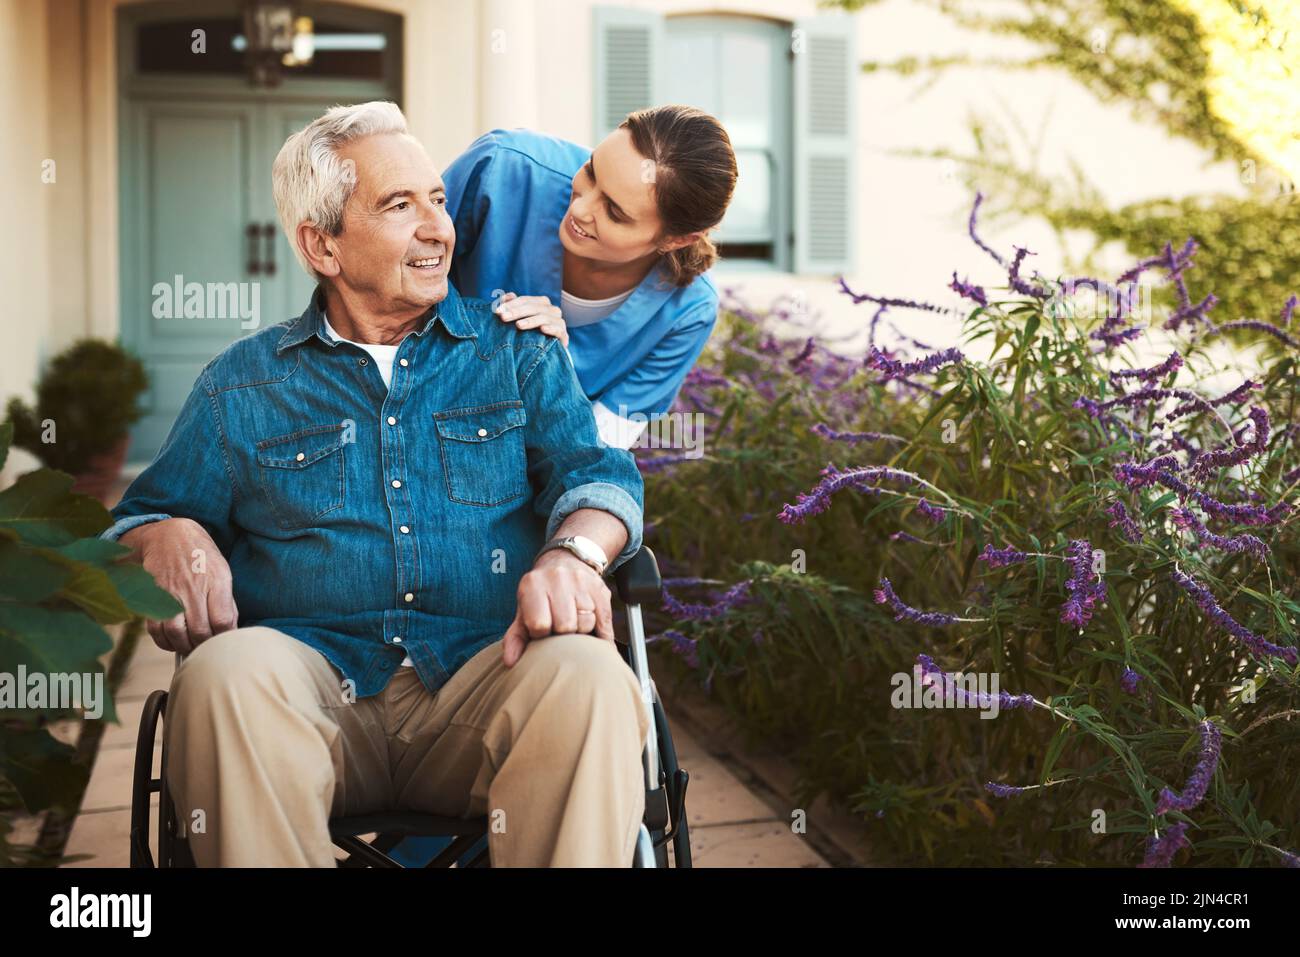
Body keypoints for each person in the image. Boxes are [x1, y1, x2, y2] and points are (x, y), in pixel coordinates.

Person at [101, 101, 650, 867]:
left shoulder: (517, 352)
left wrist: (574, 555)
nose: (438, 228)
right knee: (224, 674)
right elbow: (137, 518)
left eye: (437, 199)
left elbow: (598, 476)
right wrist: (167, 533)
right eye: (400, 205)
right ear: (322, 245)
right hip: (309, 696)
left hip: (484, 680)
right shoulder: (241, 386)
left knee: (591, 676)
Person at [440, 105, 738, 449]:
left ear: (677, 239)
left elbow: (592, 452)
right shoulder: (501, 168)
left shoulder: (687, 314)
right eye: (592, 171)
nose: (580, 209)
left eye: (613, 212)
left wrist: (553, 365)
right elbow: (382, 285)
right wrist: (497, 332)